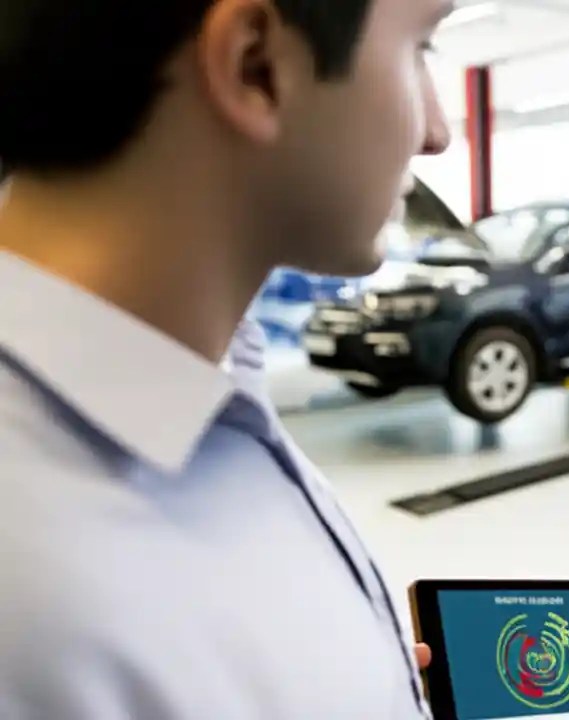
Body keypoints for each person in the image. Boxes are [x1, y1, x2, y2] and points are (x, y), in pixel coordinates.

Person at [0, 0, 452, 717]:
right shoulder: (31, 593)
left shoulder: (214, 401)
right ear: (256, 65)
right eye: (420, 46)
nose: (438, 131)